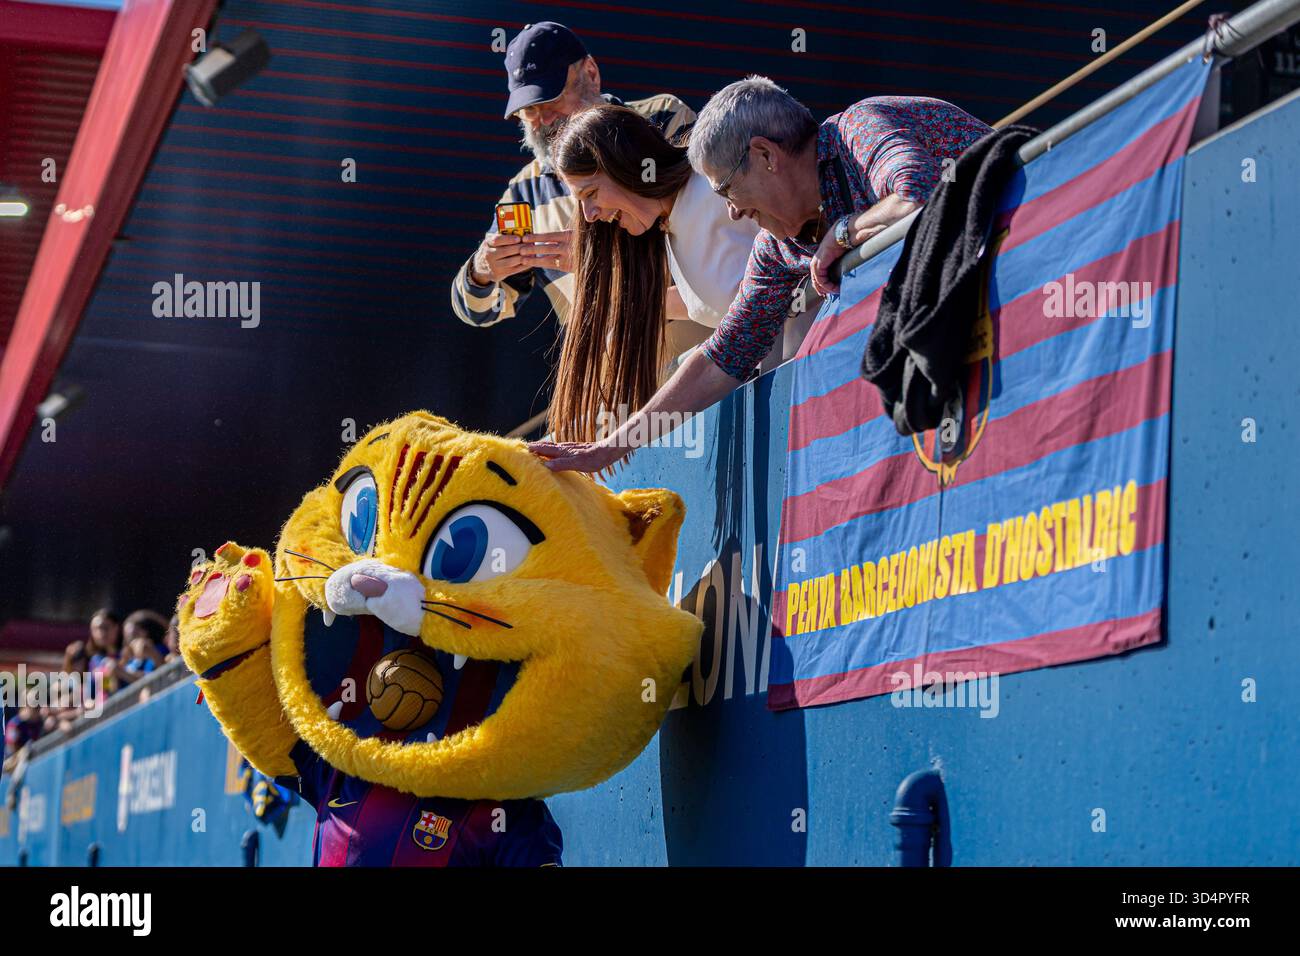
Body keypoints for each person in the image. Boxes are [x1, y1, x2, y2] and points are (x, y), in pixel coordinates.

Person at [530, 76, 992, 472]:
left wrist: (844, 234)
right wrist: (605, 450)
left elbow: (923, 196)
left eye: (727, 189)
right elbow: (723, 357)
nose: (732, 213)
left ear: (765, 156)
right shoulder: (777, 246)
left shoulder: (862, 127)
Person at [451, 21, 695, 329]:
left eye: (550, 101)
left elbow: (713, 229)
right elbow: (482, 311)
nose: (542, 121)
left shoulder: (662, 120)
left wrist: (601, 258)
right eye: (528, 111)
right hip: (607, 373)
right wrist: (481, 272)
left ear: (591, 74)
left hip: (705, 358)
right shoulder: (524, 192)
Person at [546, 104, 760, 442]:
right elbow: (716, 298)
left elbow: (777, 272)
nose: (588, 215)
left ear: (625, 164)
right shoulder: (670, 225)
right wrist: (626, 310)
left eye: (591, 193)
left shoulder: (713, 184)